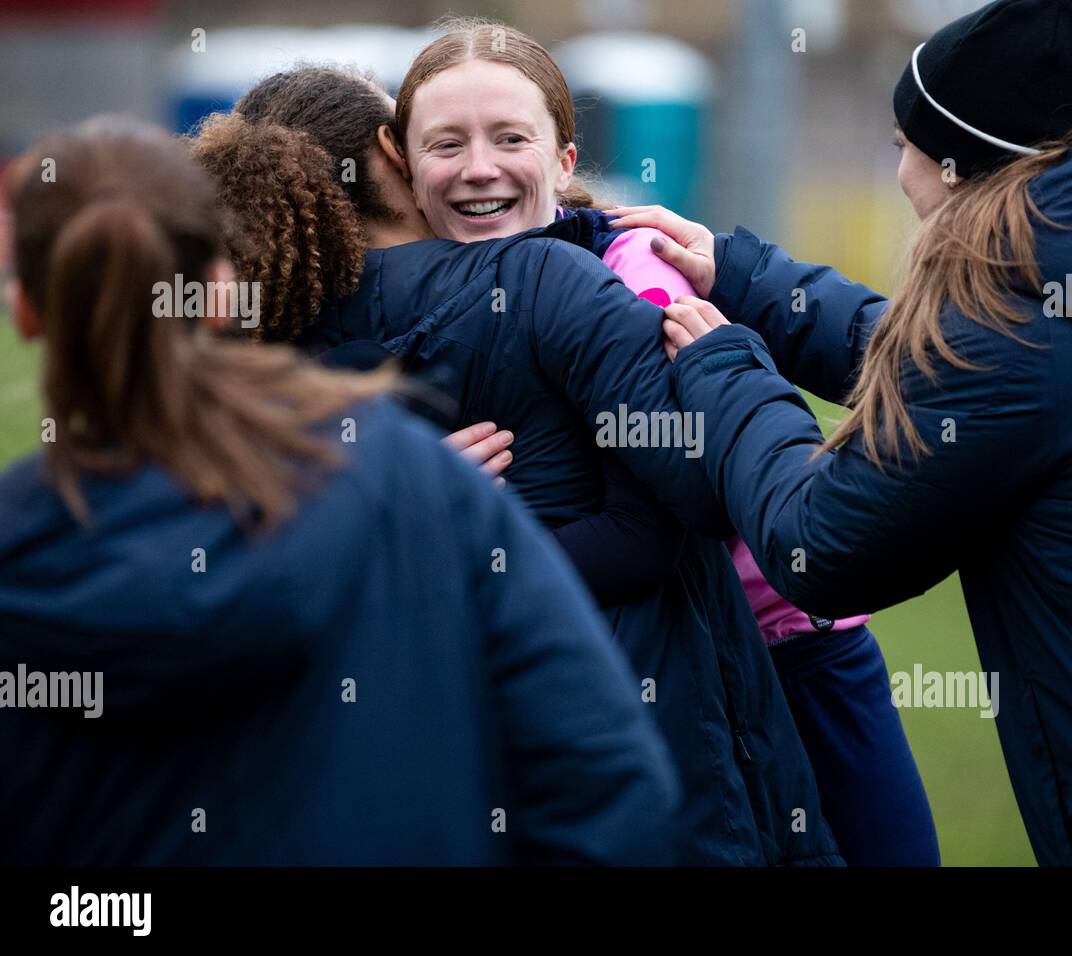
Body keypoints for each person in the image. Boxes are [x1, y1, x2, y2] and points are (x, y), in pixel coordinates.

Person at [631, 0, 1072, 865]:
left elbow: (821, 545)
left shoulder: (1014, 333)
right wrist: (749, 279)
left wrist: (726, 375)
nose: (896, 165)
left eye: (904, 142)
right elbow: (966, 390)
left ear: (952, 164)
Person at [192, 67, 842, 866]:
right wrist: (727, 361)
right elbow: (698, 500)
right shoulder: (546, 277)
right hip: (636, 726)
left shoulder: (259, 358)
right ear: (393, 154)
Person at [0, 115, 681, 865]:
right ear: (223, 293)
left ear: (24, 310)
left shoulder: (22, 542)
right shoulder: (412, 480)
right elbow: (610, 785)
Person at [388, 17, 939, 867]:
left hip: (789, 650)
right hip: (617, 666)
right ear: (403, 163)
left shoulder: (630, 272)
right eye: (447, 143)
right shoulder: (413, 304)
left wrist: (462, 539)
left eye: (510, 138)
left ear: (566, 160)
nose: (479, 167)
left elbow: (661, 522)